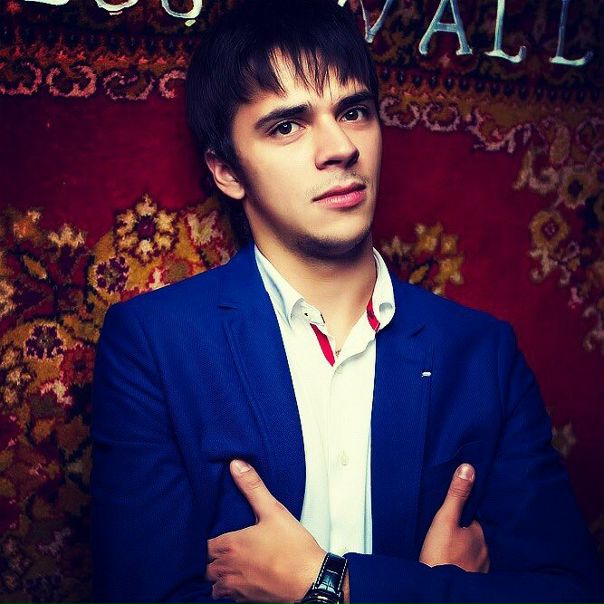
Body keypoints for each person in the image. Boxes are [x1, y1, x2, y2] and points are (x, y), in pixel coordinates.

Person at [91, 0, 603, 602]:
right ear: (227, 171)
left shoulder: (482, 353)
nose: (339, 147)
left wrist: (334, 587)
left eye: (354, 112)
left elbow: (572, 591)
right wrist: (438, 592)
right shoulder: (153, 344)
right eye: (287, 126)